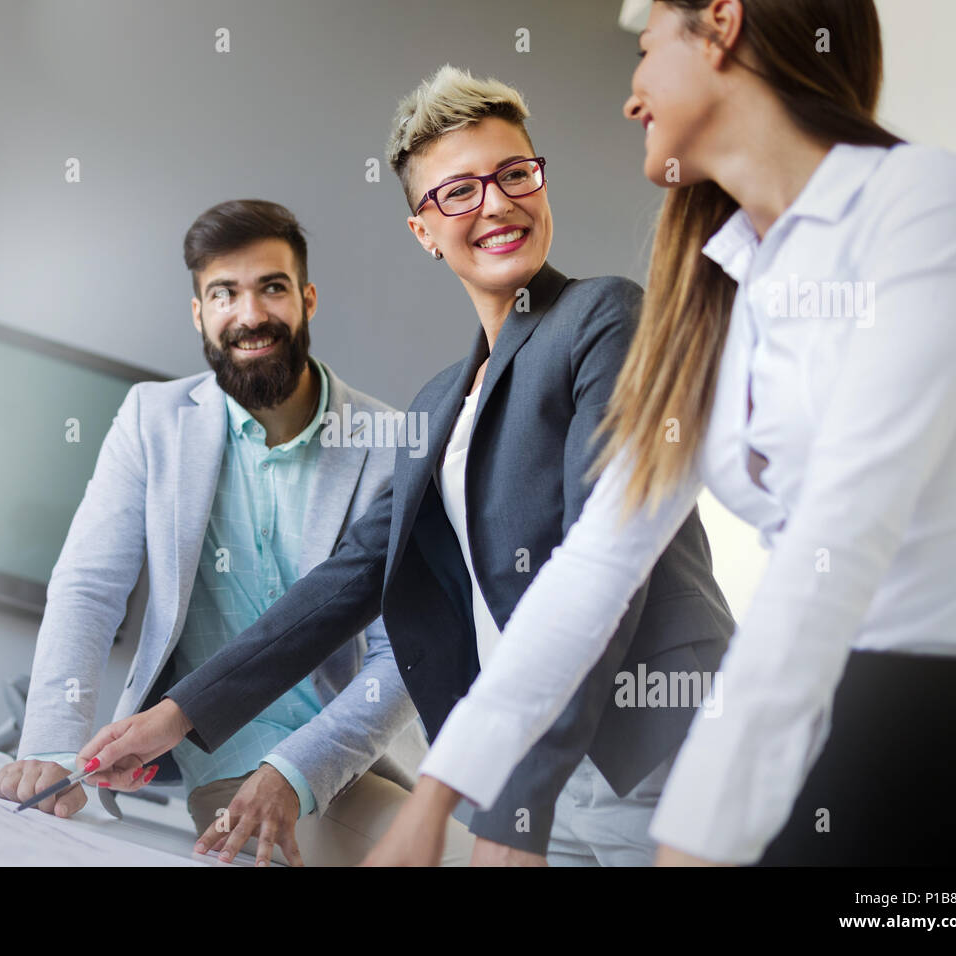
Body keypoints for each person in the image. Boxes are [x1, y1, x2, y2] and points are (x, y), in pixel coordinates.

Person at [365, 0, 956, 866]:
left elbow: (840, 537)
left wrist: (689, 840)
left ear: (721, 23)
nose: (632, 97)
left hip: (947, 715)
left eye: (645, 50)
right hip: (822, 715)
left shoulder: (933, 203)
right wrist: (439, 796)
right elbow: (597, 564)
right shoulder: (720, 283)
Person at [76, 66, 735, 867]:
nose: (495, 204)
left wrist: (503, 798)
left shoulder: (604, 318)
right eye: (457, 192)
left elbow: (602, 571)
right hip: (540, 763)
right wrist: (175, 716)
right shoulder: (435, 405)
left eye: (515, 174)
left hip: (654, 740)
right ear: (424, 231)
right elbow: (352, 576)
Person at [0, 199, 474, 867]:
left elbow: (406, 653)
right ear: (199, 314)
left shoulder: (395, 442)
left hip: (354, 755)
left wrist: (298, 773)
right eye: (225, 294)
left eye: (272, 288)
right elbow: (88, 588)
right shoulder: (150, 420)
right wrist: (48, 746)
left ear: (306, 300)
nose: (250, 315)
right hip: (225, 757)